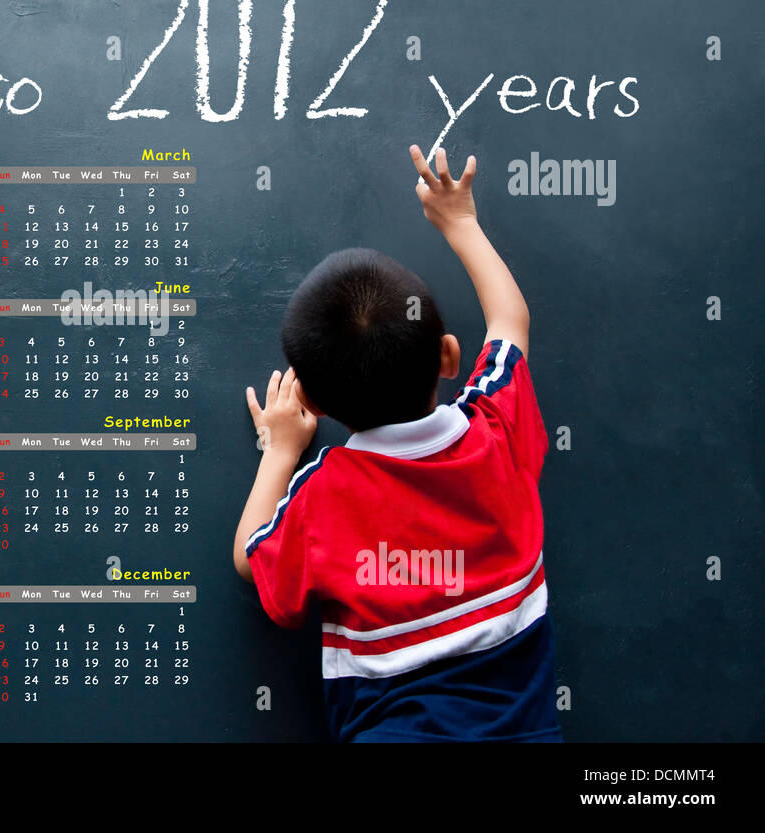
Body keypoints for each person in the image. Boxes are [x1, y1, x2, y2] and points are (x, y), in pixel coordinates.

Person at [233, 145, 562, 742]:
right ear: (448, 357)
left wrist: (281, 452)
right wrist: (460, 223)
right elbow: (511, 322)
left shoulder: (325, 493)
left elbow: (252, 561)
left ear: (316, 405)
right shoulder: (498, 429)